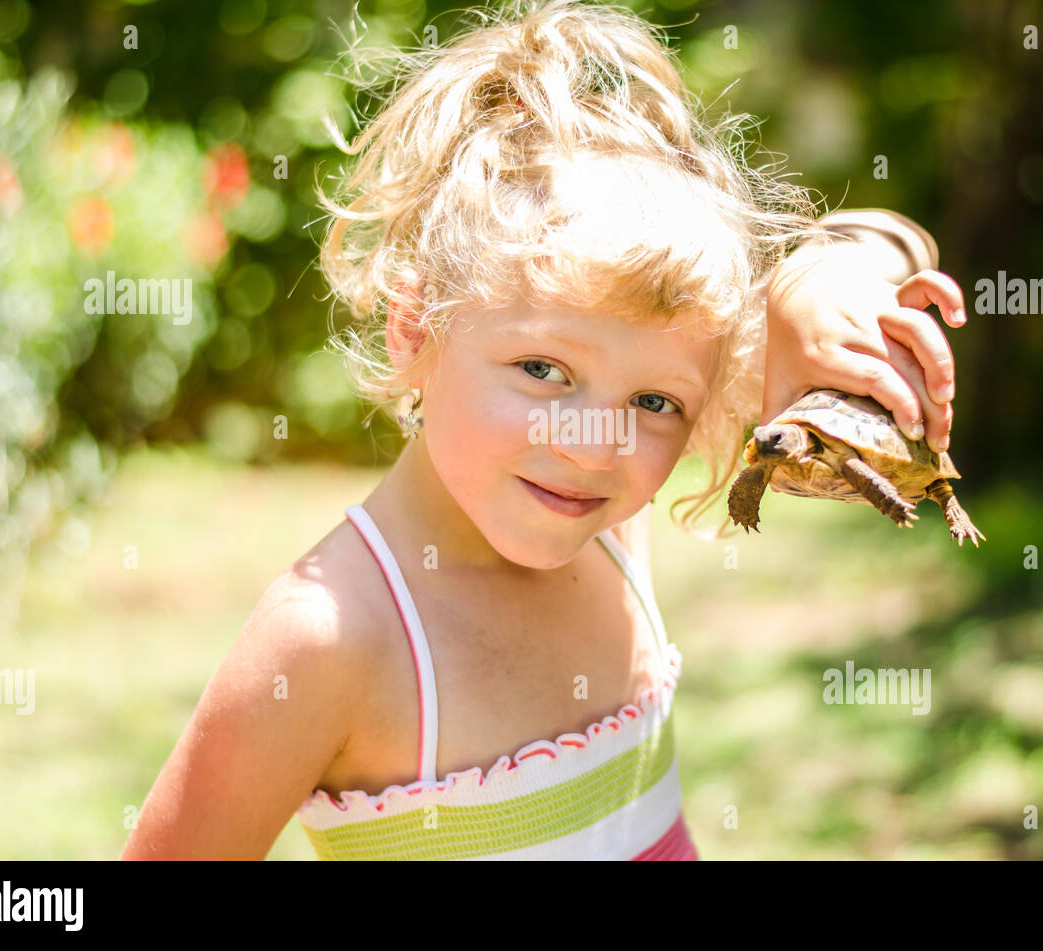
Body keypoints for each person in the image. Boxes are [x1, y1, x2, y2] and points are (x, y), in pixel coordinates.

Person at [120, 0, 966, 861]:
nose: (598, 441)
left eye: (656, 403)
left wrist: (815, 286)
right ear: (415, 324)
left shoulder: (610, 527)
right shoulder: (334, 637)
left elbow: (891, 237)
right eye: (542, 371)